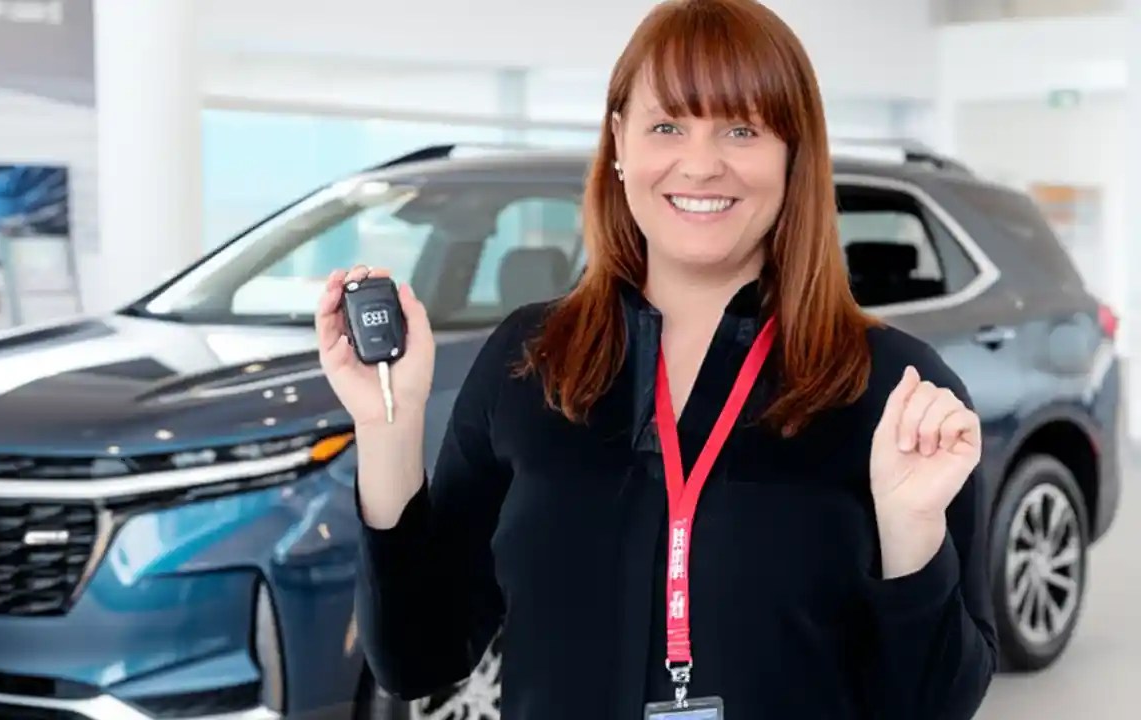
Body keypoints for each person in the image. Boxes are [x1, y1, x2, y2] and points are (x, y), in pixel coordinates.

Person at [315, 0, 998, 718]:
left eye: (741, 129)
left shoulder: (889, 388)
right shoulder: (529, 361)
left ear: (794, 153)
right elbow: (416, 654)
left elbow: (932, 705)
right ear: (618, 141)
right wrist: (387, 427)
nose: (700, 165)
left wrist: (913, 535)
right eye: (668, 125)